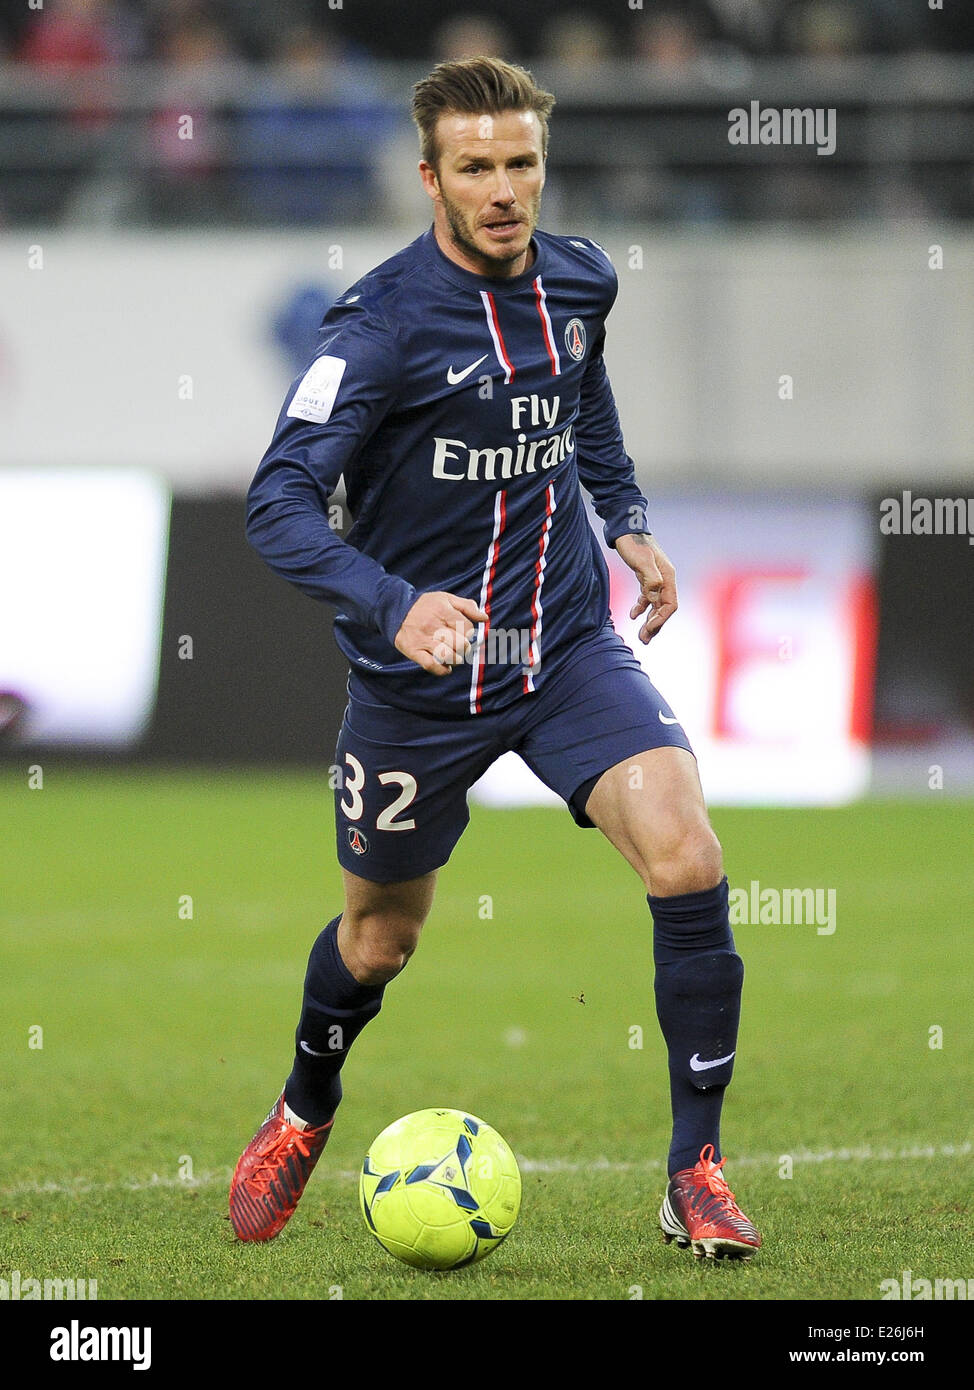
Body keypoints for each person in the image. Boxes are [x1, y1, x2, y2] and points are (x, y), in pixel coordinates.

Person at [230, 56, 760, 1261]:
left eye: (520, 162)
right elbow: (277, 502)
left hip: (564, 641)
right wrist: (391, 598)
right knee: (378, 942)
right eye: (475, 167)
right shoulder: (377, 328)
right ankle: (304, 1107)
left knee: (684, 853)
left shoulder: (579, 278)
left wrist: (623, 516)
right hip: (418, 680)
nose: (504, 187)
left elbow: (583, 398)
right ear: (430, 178)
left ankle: (694, 1171)